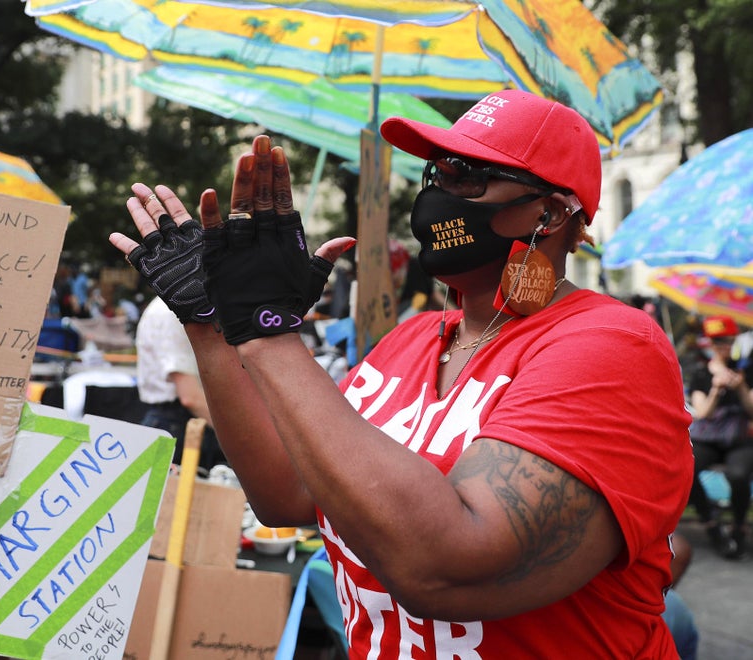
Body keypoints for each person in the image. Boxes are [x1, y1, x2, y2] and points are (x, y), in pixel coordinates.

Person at [111, 89, 693, 657]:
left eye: (468, 175)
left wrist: (266, 332)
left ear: (554, 211)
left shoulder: (611, 346)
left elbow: (445, 568)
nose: (442, 194)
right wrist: (214, 328)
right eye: (436, 175)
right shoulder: (411, 340)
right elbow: (289, 494)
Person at [686, 315, 753, 559]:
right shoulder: (701, 372)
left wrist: (741, 387)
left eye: (727, 341)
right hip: (709, 437)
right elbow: (702, 413)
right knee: (685, 468)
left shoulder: (746, 368)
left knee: (738, 474)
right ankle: (710, 522)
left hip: (739, 438)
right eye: (717, 341)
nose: (722, 346)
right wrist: (716, 389)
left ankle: (738, 526)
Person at [135, 293, 225, 471]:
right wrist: (236, 435)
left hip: (176, 422)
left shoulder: (175, 306)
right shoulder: (172, 311)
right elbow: (189, 396)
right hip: (178, 426)